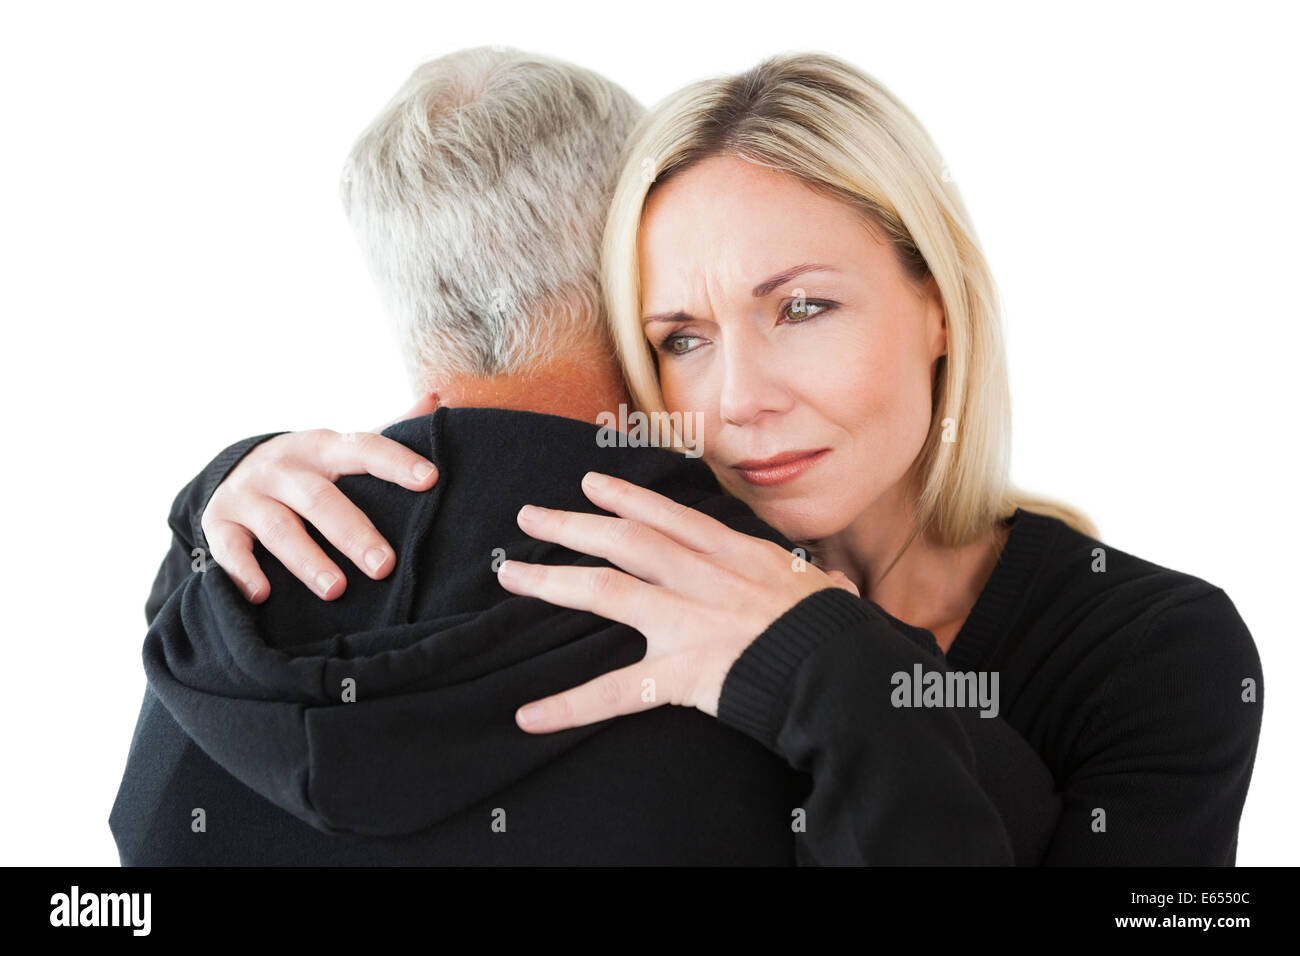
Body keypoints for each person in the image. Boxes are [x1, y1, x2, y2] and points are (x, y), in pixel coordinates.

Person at [190, 50, 1266, 865]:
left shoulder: (1160, 649)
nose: (741, 398)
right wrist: (221, 502)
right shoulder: (602, 592)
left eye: (803, 306)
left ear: (938, 304)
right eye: (680, 340)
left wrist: (830, 669)